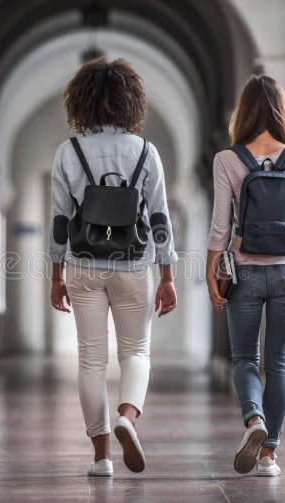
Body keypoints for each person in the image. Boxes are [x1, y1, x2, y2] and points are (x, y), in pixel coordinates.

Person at [49, 58, 178, 477]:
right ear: (131, 102)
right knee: (136, 351)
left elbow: (58, 220)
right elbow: (159, 218)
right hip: (134, 264)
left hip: (82, 264)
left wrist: (55, 276)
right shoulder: (146, 152)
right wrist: (168, 276)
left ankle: (102, 456)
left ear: (81, 102)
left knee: (90, 361)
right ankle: (127, 416)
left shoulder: (68, 152)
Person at [205, 75, 285, 477]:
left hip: (246, 271)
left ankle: (254, 420)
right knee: (280, 361)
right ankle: (270, 454)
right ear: (282, 111)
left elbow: (220, 227)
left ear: (244, 112)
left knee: (244, 358)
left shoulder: (227, 160)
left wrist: (209, 273)